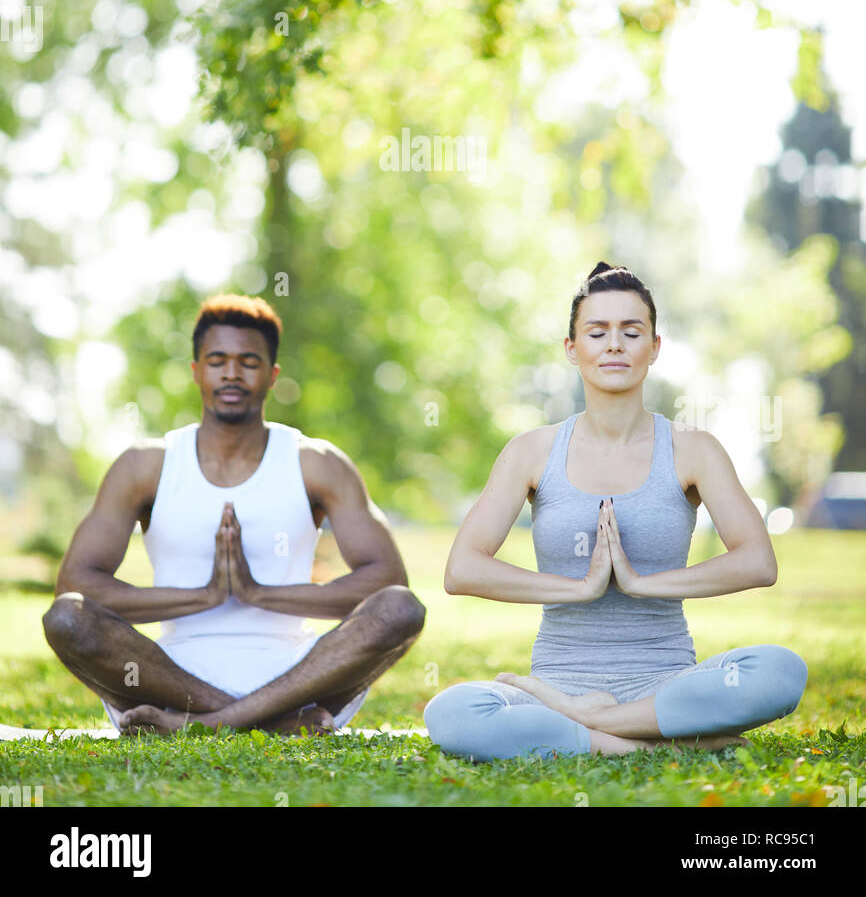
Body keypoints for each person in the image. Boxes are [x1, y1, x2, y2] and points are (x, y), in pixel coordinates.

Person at [424, 262, 808, 760]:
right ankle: (645, 747)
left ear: (654, 347)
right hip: (559, 679)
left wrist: (639, 583)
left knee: (781, 672)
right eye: (596, 332)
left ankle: (587, 724)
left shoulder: (693, 449)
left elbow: (758, 561)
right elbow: (462, 570)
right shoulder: (531, 451)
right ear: (571, 348)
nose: (614, 345)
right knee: (452, 712)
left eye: (631, 331)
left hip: (665, 686)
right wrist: (581, 589)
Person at [43, 294, 426, 736]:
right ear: (195, 370)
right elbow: (75, 585)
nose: (231, 372)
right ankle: (269, 723)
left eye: (248, 361)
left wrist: (256, 593)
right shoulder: (145, 465)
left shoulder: (316, 462)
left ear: (272, 375)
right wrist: (204, 596)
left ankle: (205, 724)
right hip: (167, 675)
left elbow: (388, 581)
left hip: (301, 676)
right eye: (217, 360)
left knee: (401, 609)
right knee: (67, 617)